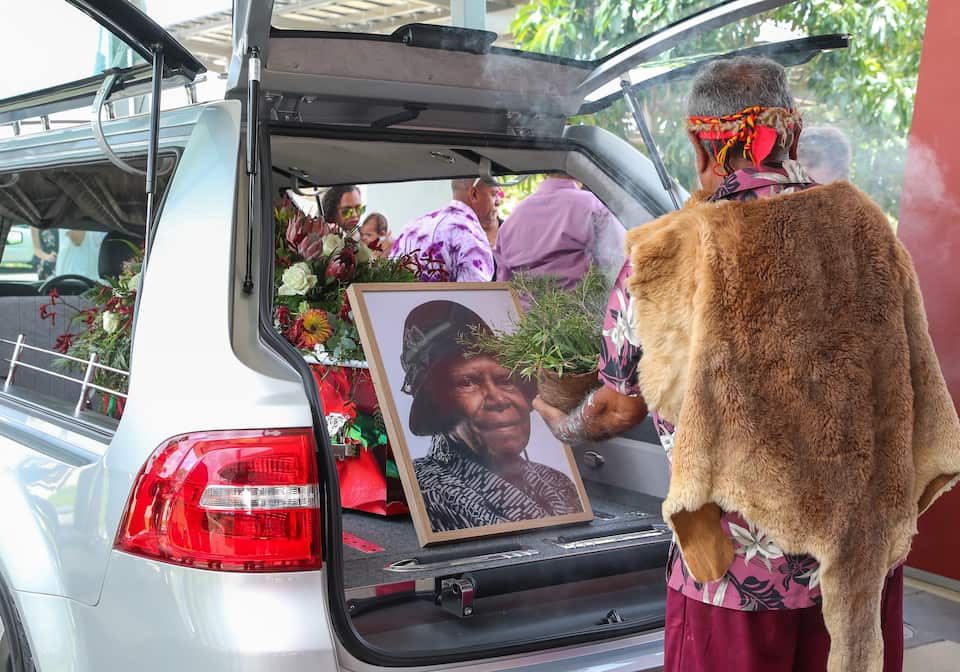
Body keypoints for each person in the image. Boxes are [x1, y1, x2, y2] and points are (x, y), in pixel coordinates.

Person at [533, 57, 905, 672]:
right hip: (859, 553)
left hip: (740, 568)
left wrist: (559, 424)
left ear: (699, 142)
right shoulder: (867, 229)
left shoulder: (669, 250)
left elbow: (618, 405)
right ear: (795, 130)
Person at [400, 300, 583, 532]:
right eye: (467, 382)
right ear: (439, 407)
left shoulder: (557, 482)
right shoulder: (424, 491)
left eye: (505, 380)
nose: (498, 399)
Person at [495, 173, 625, 289]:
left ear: (545, 172)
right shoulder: (592, 206)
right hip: (580, 311)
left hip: (523, 314)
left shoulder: (513, 218)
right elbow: (620, 260)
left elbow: (503, 284)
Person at [390, 177, 499, 282]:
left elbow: (390, 281)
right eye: (493, 194)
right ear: (474, 194)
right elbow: (473, 296)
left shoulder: (411, 228)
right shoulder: (472, 235)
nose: (498, 202)